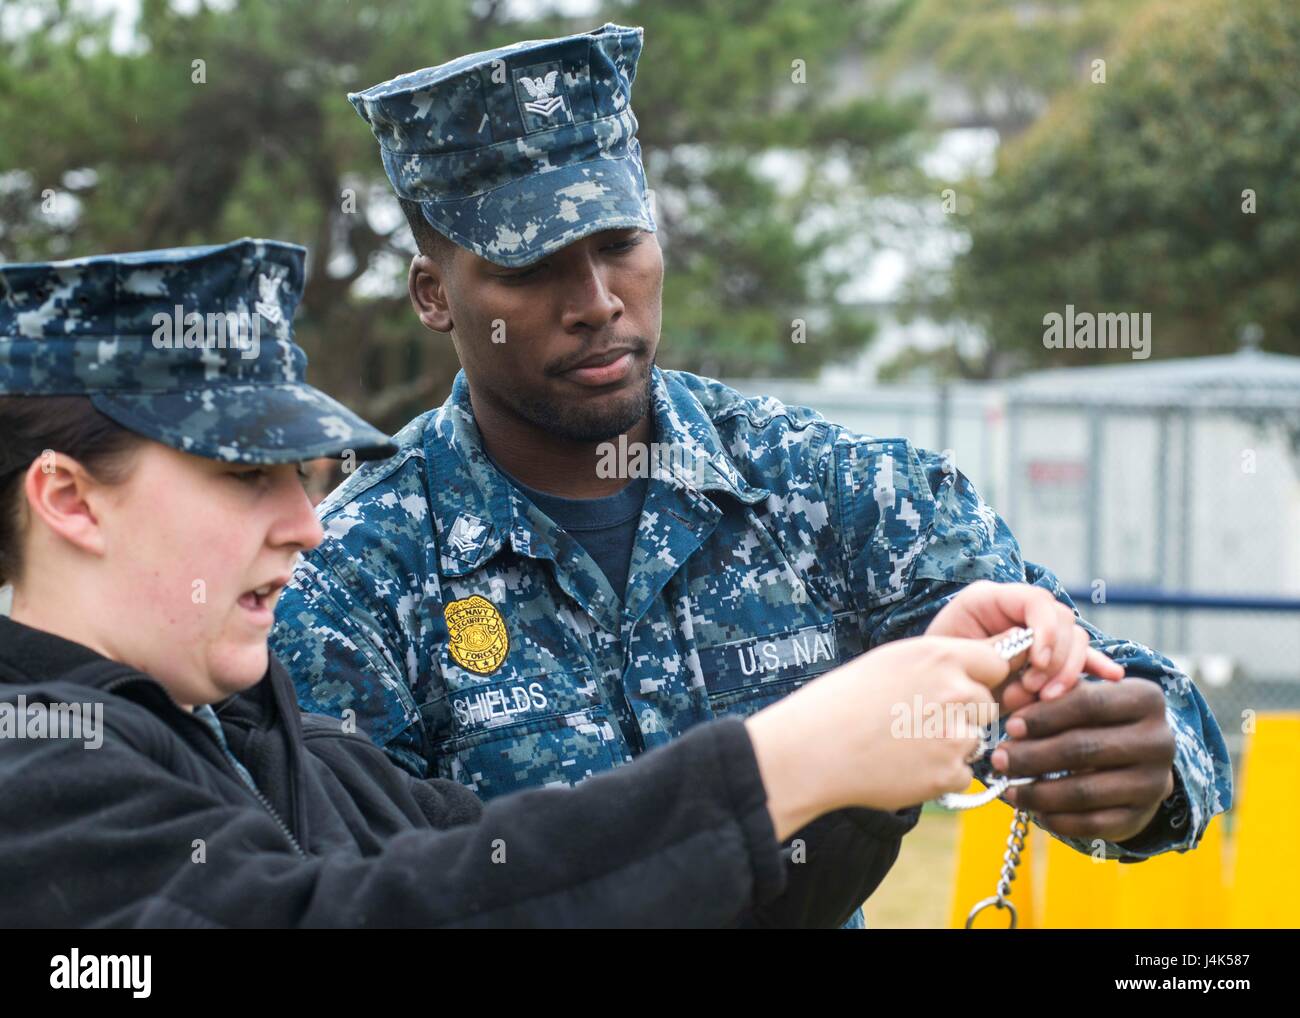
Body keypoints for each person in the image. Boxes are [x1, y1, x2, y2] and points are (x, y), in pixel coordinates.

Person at [269, 22, 1231, 930]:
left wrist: (1133, 758)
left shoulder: (829, 492)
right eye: (532, 268)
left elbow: (1133, 696)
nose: (597, 303)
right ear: (436, 295)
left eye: (618, 245)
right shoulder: (349, 580)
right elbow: (367, 895)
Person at [0, 237, 1070, 928]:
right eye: (244, 478)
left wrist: (872, 753)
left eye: (301, 477)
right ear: (70, 500)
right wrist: (788, 757)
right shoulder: (36, 777)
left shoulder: (278, 752)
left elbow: (576, 889)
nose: (303, 526)